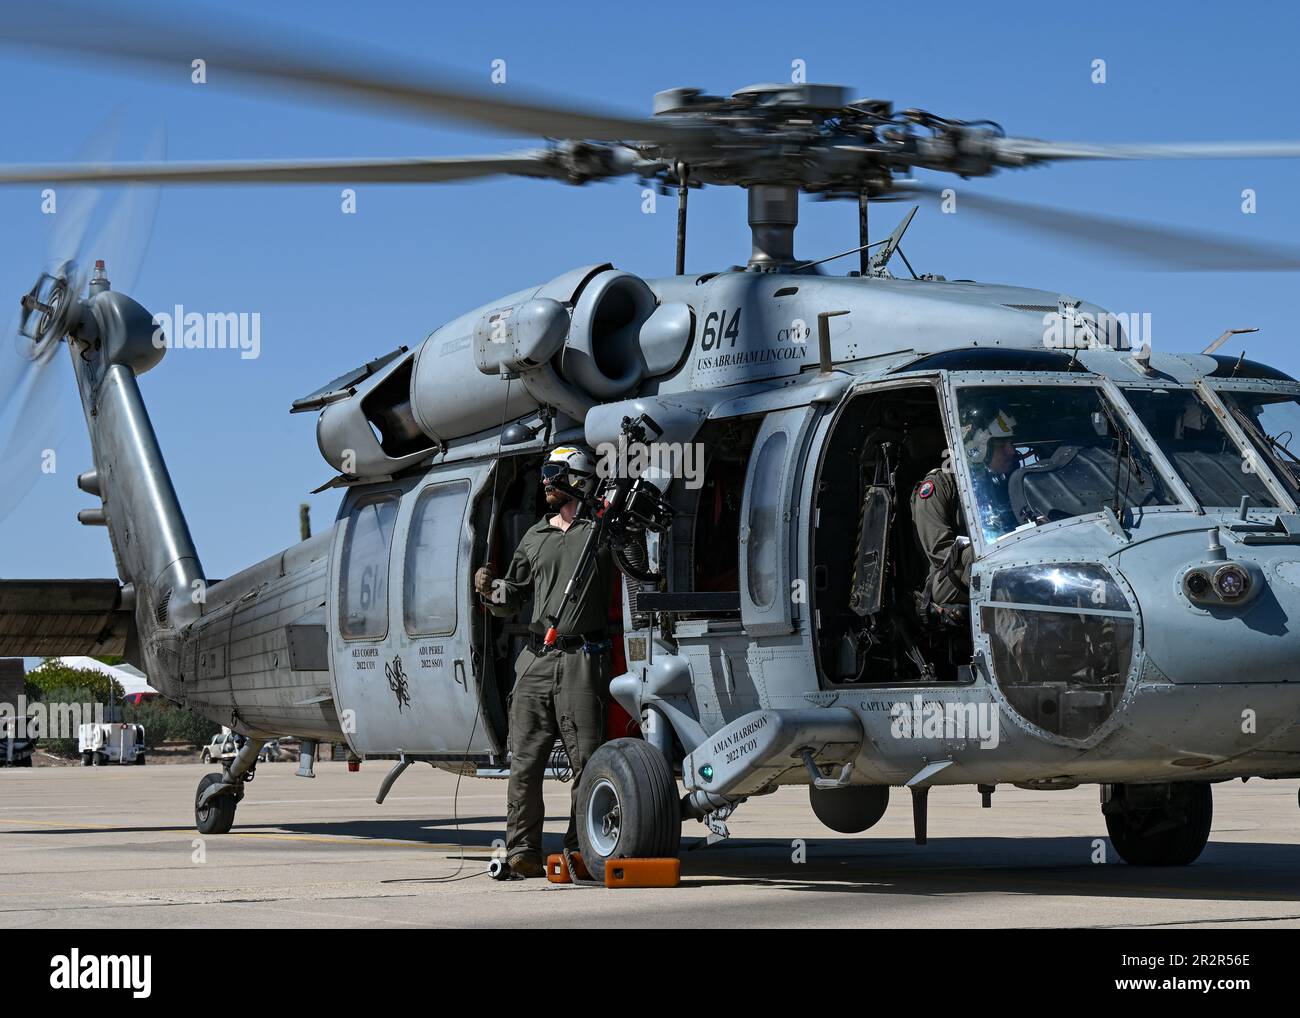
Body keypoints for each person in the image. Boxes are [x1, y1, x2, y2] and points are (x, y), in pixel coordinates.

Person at [473, 446, 615, 879]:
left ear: (577, 478)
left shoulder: (603, 531)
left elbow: (638, 564)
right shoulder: (534, 535)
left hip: (582, 658)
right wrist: (489, 590)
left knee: (586, 761)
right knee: (525, 762)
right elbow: (511, 598)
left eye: (554, 473)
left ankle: (579, 849)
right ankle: (523, 851)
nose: (546, 482)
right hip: (536, 658)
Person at [912, 409, 1018, 621]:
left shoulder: (995, 485)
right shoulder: (938, 485)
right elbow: (939, 550)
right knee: (984, 558)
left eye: (1011, 444)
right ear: (977, 448)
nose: (1011, 451)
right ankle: (1019, 643)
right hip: (949, 577)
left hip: (989, 567)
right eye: (1001, 445)